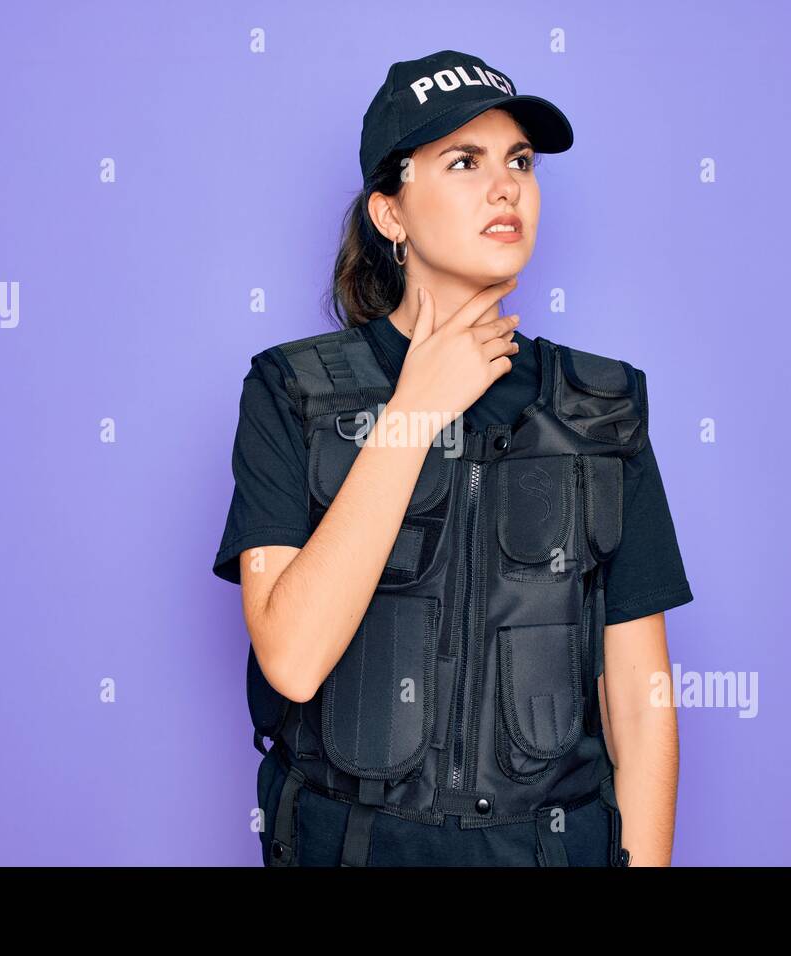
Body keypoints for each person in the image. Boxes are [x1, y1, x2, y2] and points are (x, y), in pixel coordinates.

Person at [212, 49, 694, 866]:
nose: (505, 187)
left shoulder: (603, 407)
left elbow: (642, 708)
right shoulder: (289, 392)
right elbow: (291, 660)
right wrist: (417, 409)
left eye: (520, 162)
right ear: (390, 214)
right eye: (464, 162)